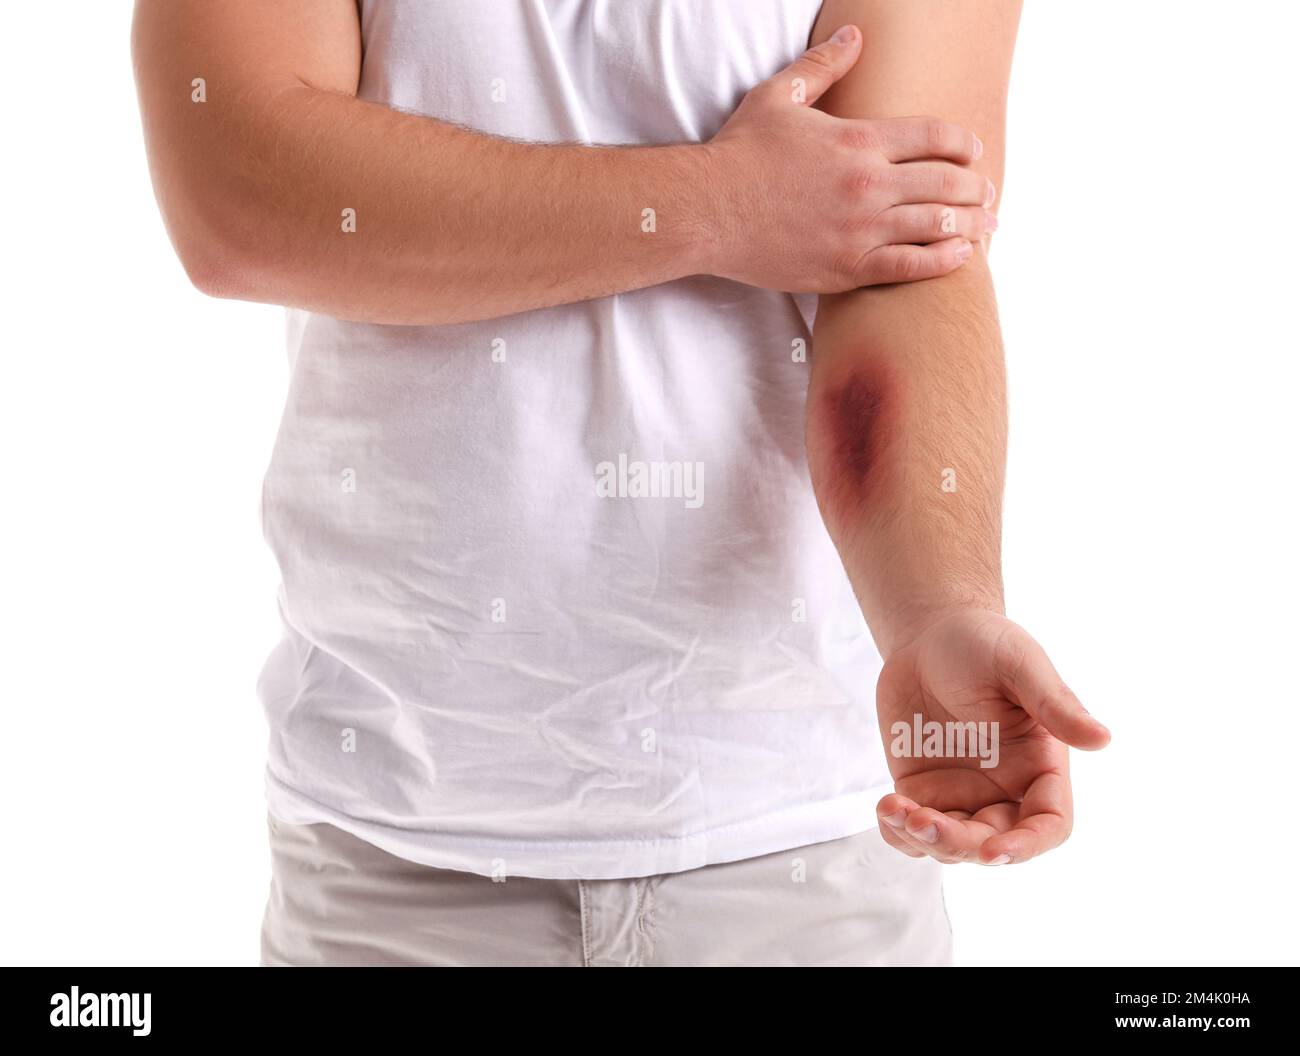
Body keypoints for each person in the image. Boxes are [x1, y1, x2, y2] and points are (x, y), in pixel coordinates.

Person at [132, 0, 1109, 967]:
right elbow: (238, 194)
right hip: (396, 849)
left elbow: (910, 253)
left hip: (803, 842)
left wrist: (939, 608)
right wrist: (717, 203)